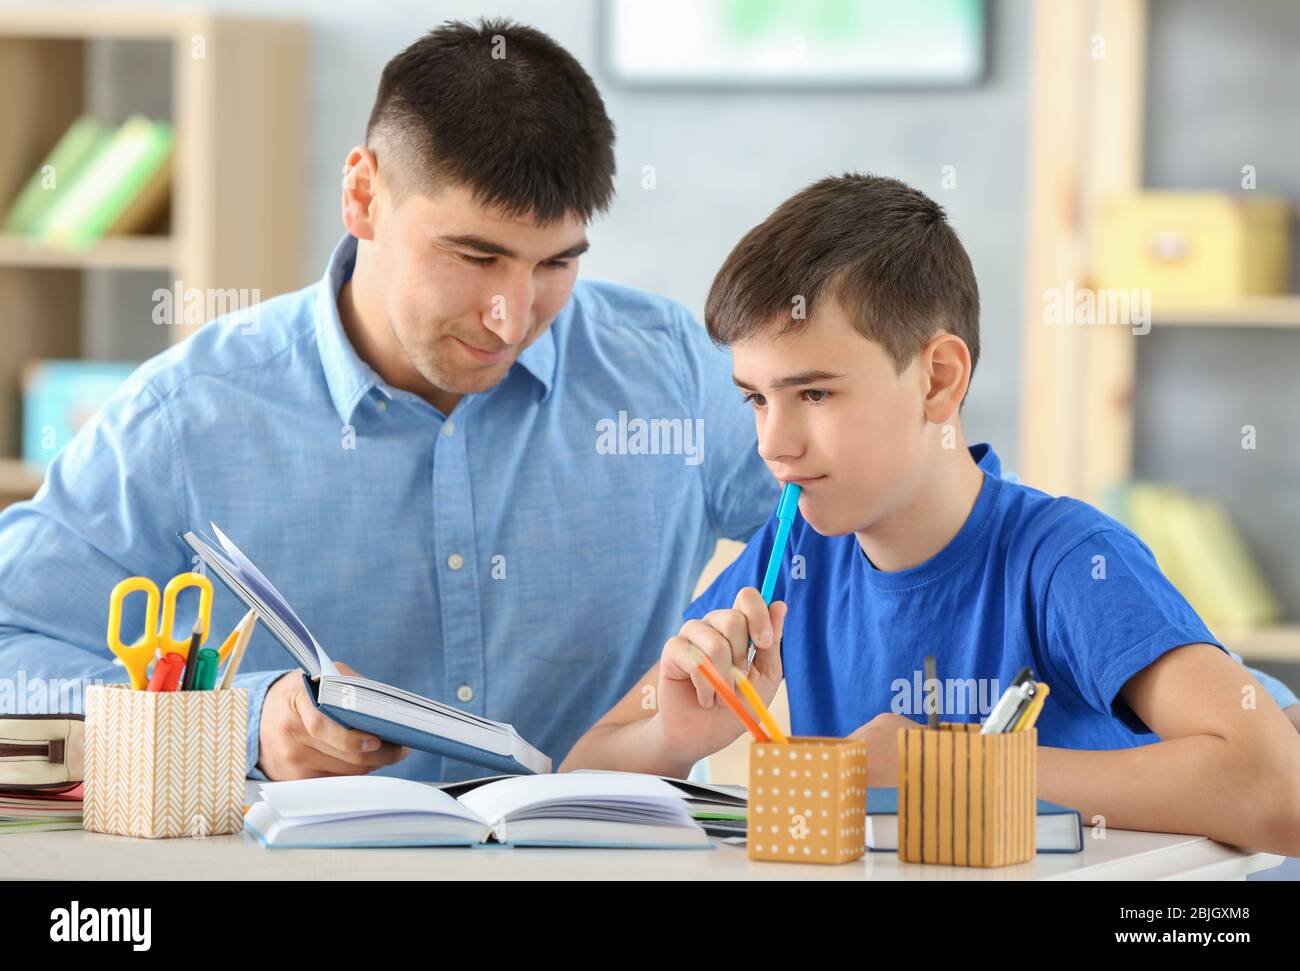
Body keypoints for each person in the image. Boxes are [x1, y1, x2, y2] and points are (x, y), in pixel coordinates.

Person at [0, 19, 775, 782]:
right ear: (364, 194)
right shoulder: (186, 417)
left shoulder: (669, 373)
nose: (511, 315)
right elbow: (11, 657)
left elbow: (857, 536)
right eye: (476, 255)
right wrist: (242, 723)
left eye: (555, 263)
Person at [561, 173, 1300, 856]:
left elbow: (1278, 791)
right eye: (756, 398)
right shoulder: (791, 560)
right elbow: (583, 770)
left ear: (938, 380)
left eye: (814, 394)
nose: (773, 443)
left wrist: (939, 768)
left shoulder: (1068, 561)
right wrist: (671, 734)